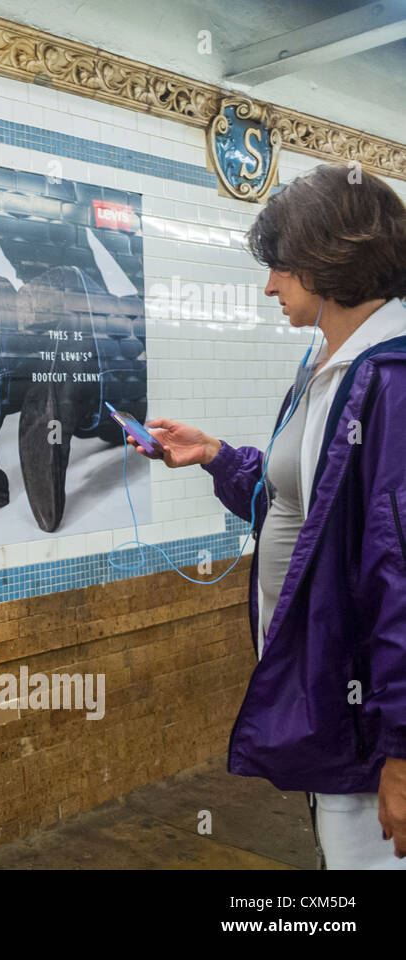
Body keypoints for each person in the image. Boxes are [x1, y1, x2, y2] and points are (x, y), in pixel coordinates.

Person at [129, 164, 406, 868]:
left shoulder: (392, 381)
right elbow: (311, 511)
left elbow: (399, 576)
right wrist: (218, 457)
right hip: (329, 698)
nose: (269, 285)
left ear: (327, 260)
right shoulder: (329, 366)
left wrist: (402, 749)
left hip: (367, 717)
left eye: (281, 266)